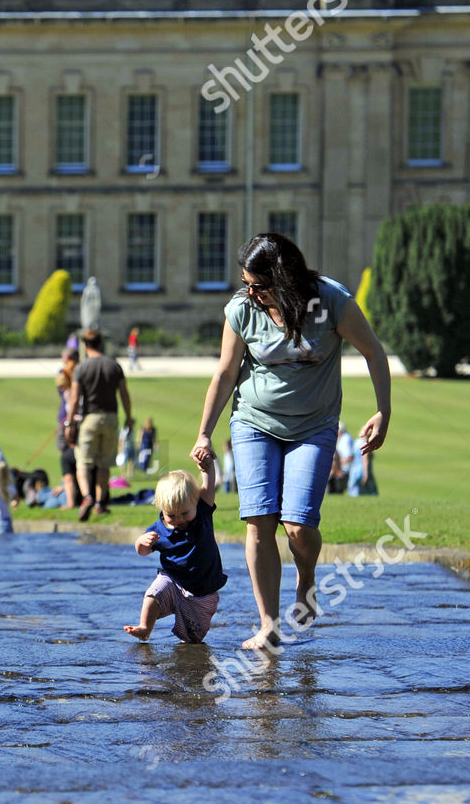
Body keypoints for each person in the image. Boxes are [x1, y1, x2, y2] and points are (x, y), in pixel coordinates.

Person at [192, 233, 391, 651]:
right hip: (254, 422)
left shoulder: (330, 301)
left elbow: (373, 351)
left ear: (283, 280)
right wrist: (204, 432)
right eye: (245, 283)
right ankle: (268, 623)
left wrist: (382, 410)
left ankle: (306, 579)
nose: (250, 293)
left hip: (315, 425)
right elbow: (226, 375)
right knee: (259, 519)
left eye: (258, 285)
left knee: (298, 526)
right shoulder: (242, 310)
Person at [123, 456, 225, 643]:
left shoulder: (202, 513)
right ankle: (145, 627)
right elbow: (143, 551)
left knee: (193, 640)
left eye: (184, 513)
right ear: (161, 508)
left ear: (196, 503)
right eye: (171, 515)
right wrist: (141, 543)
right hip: (172, 581)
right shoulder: (158, 530)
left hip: (202, 591)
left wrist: (207, 466)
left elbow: (208, 485)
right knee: (154, 592)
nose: (178, 519)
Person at [68, 328, 133, 522]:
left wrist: (69, 423)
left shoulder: (82, 367)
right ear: (101, 343)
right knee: (105, 463)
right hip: (111, 418)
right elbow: (124, 394)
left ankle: (87, 496)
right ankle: (99, 503)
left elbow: (74, 399)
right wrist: (129, 417)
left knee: (83, 462)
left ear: (85, 345)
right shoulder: (114, 365)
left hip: (90, 418)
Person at [55, 348, 82, 509]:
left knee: (70, 457)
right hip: (65, 420)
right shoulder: (64, 375)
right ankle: (69, 490)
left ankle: (73, 496)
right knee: (66, 457)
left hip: (72, 422)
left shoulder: (79, 375)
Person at [331, 422, 356, 496]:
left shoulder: (345, 439)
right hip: (341, 468)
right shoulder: (344, 438)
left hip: (344, 469)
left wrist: (337, 464)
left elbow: (349, 457)